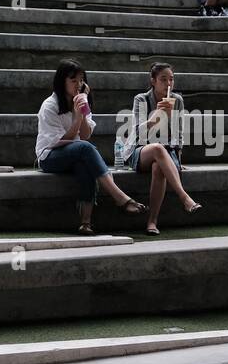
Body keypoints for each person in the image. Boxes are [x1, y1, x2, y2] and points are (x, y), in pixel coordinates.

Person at [36, 59, 147, 235]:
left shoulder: (81, 101)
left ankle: (85, 223)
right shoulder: (50, 106)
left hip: (75, 152)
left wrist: (81, 109)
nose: (78, 85)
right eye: (73, 81)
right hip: (50, 156)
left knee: (84, 164)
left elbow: (86, 134)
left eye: (81, 80)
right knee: (85, 148)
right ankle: (120, 197)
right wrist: (78, 116)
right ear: (62, 82)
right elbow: (65, 140)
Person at [123, 63, 203, 235]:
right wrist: (155, 118)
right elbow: (137, 132)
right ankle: (184, 197)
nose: (168, 84)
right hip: (140, 150)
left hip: (167, 151)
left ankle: (152, 221)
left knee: (159, 166)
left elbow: (178, 134)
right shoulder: (141, 99)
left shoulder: (177, 100)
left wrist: (178, 161)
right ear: (153, 81)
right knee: (158, 149)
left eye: (171, 79)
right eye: (163, 79)